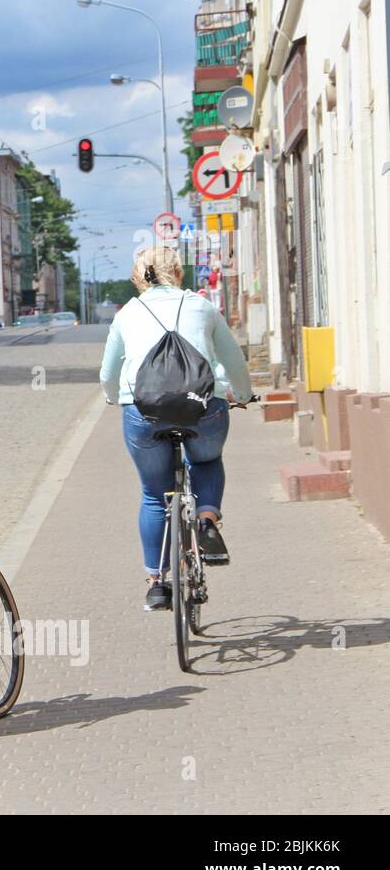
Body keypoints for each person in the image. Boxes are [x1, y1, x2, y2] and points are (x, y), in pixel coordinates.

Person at [99, 247, 253, 611]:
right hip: (204, 409)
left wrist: (113, 397)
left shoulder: (127, 314)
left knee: (155, 494)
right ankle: (207, 518)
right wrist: (243, 395)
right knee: (206, 461)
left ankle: (157, 584)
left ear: (138, 278)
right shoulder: (202, 306)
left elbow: (107, 374)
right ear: (178, 274)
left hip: (143, 414)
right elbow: (234, 361)